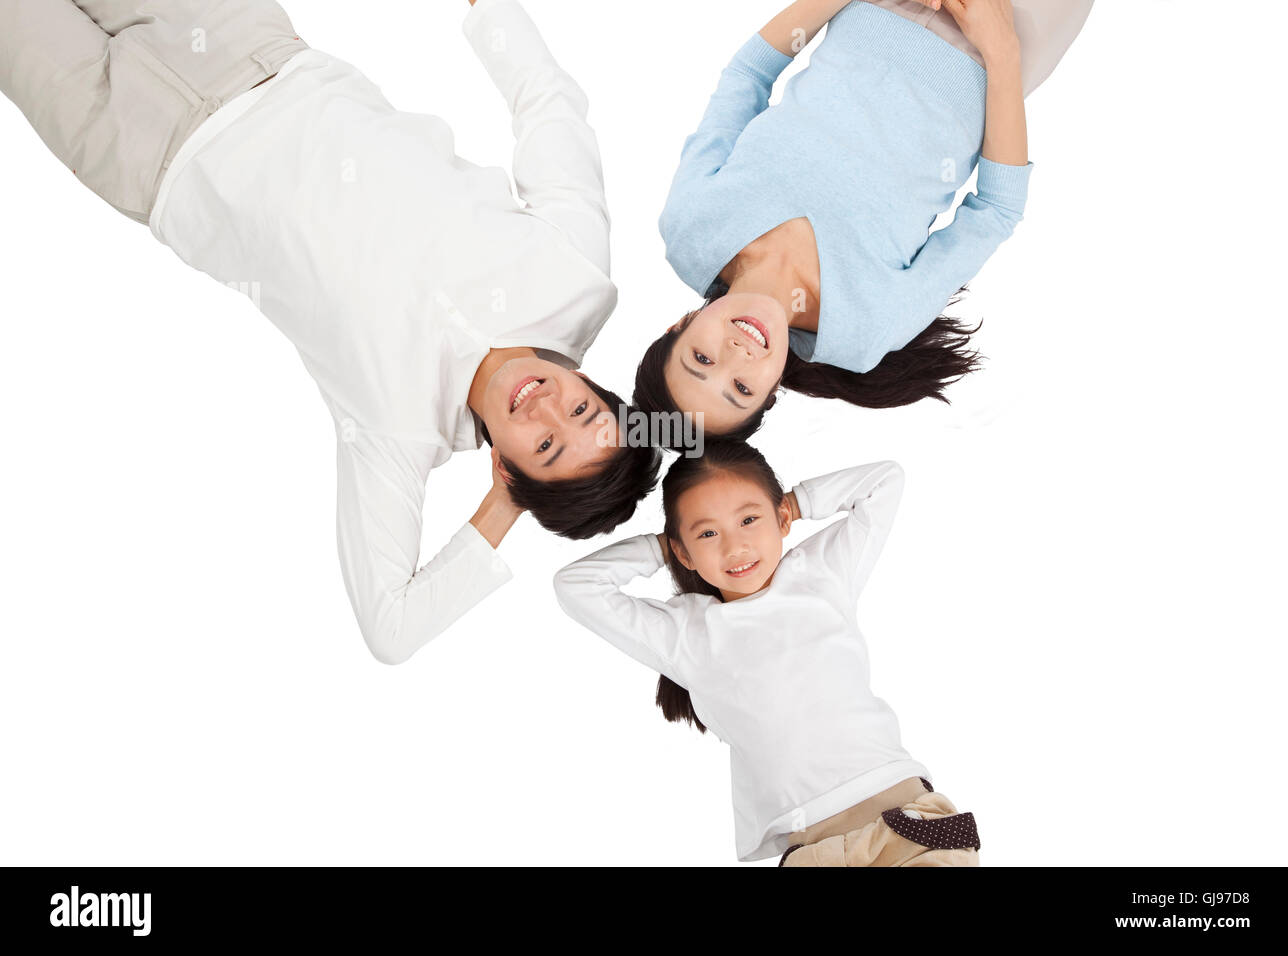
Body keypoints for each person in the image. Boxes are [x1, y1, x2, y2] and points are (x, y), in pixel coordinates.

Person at [0, 0, 662, 664]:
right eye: (583, 409)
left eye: (546, 444)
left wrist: (502, 509)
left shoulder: (395, 432)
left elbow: (391, 629)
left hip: (140, 147)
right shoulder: (573, 272)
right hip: (248, 46)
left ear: (508, 468)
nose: (548, 405)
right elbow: (548, 104)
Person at [635, 0, 1094, 442]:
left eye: (701, 357)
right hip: (1002, 34)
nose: (736, 356)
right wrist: (1002, 50)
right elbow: (996, 210)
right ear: (771, 393)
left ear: (681, 325)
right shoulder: (865, 329)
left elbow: (748, 75)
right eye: (742, 389)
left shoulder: (690, 228)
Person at [553, 440, 978, 865]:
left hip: (900, 812)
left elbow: (884, 481)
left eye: (750, 519)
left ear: (779, 519)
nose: (733, 547)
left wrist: (796, 502)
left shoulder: (821, 573)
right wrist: (662, 548)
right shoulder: (684, 634)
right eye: (707, 533)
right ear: (684, 551)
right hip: (812, 844)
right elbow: (576, 586)